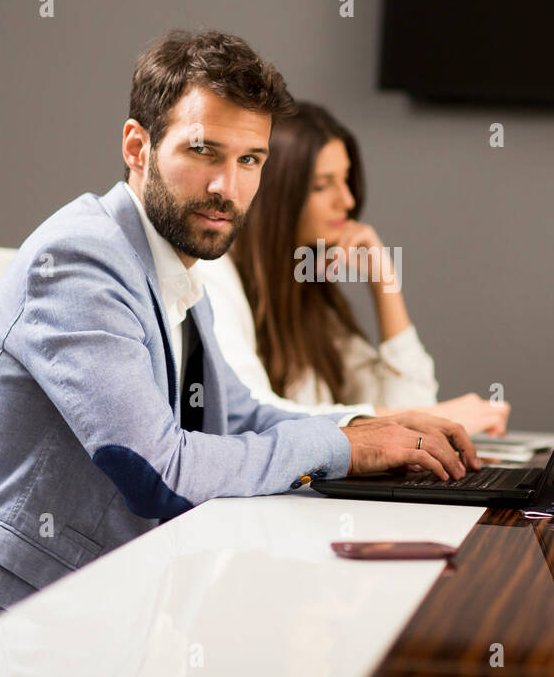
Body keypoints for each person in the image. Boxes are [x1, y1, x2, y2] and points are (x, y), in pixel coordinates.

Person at [0, 31, 478, 661]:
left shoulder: (173, 268)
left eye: (251, 160)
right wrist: (343, 446)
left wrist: (371, 430)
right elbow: (159, 472)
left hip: (106, 626)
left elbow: (242, 415)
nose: (228, 189)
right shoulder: (79, 262)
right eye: (204, 152)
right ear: (137, 147)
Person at [196, 101, 509, 436]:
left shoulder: (307, 294)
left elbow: (412, 401)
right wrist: (432, 420)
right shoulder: (212, 277)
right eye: (322, 185)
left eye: (345, 180)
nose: (346, 200)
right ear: (273, 197)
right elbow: (252, 417)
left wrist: (383, 282)